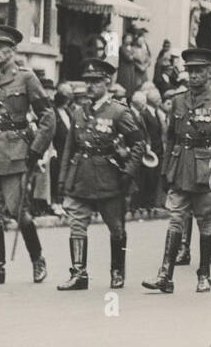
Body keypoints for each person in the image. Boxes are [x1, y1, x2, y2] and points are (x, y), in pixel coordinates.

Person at [142, 48, 211, 293]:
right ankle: (165, 275)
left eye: (199, 71)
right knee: (175, 219)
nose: (193, 75)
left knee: (205, 222)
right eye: (190, 70)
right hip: (181, 166)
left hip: (207, 169)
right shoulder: (179, 101)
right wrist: (165, 171)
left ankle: (204, 274)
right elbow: (170, 138)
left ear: (210, 73)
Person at [0, 24, 55, 285]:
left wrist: (36, 149)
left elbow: (48, 117)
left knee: (17, 210)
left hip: (16, 152)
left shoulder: (26, 78)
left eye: (0, 47)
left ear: (12, 50)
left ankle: (37, 259)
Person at [56, 59, 147, 290]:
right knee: (77, 223)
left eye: (95, 81)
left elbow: (139, 144)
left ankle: (117, 271)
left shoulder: (118, 112)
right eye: (87, 82)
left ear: (107, 82)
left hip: (109, 177)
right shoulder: (78, 112)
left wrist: (128, 172)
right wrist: (63, 179)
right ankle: (79, 273)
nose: (90, 86)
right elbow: (69, 148)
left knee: (116, 227)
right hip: (82, 175)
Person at [117, 24, 152, 97]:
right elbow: (133, 60)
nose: (142, 40)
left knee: (145, 88)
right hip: (136, 72)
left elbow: (148, 59)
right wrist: (140, 66)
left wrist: (145, 66)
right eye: (140, 38)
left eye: (143, 38)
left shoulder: (144, 49)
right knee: (135, 89)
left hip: (144, 73)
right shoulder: (132, 48)